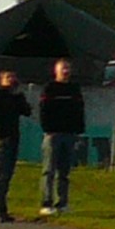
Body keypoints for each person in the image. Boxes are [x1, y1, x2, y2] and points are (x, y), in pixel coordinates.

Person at [38, 58, 86, 217]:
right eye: (63, 68)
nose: (66, 71)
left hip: (69, 134)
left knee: (64, 172)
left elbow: (80, 110)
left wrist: (78, 130)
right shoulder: (50, 89)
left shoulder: (74, 89)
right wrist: (48, 129)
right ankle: (46, 203)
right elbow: (43, 110)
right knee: (49, 170)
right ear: (56, 71)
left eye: (68, 68)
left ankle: (62, 202)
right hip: (53, 134)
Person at [0, 70, 31, 224]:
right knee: (2, 175)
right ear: (1, 80)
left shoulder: (15, 97)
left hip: (13, 137)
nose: (11, 80)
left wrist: (20, 96)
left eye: (13, 77)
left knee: (8, 174)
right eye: (7, 77)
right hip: (3, 138)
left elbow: (27, 111)